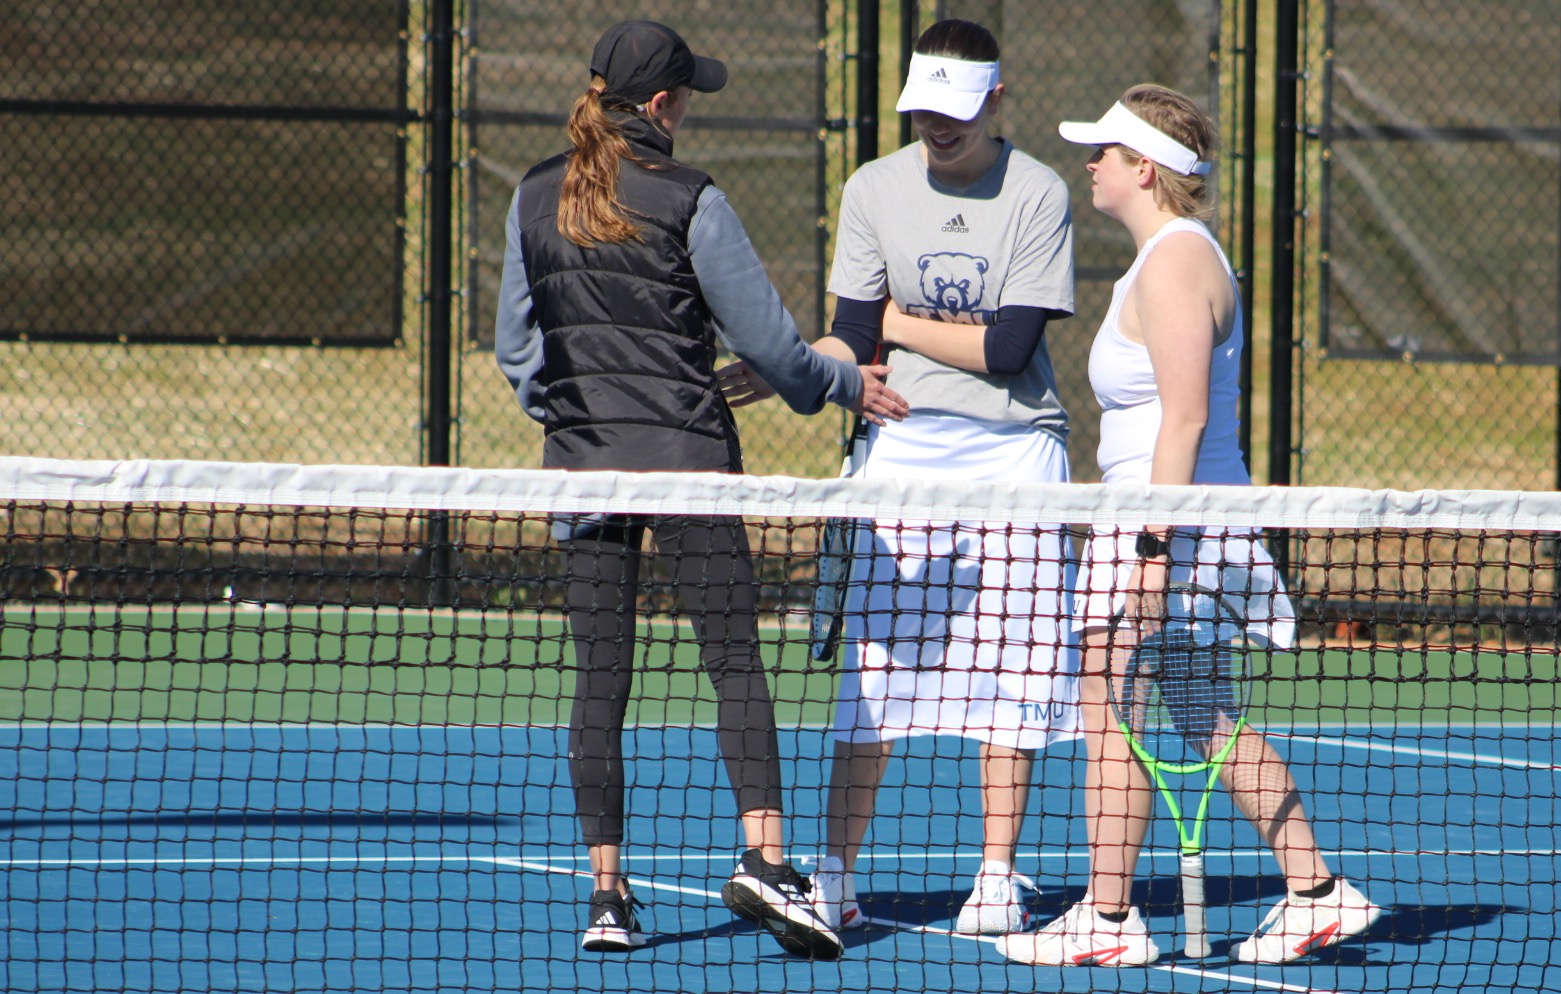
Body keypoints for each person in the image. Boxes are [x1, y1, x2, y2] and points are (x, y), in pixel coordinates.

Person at [493, 20, 907, 960]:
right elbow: (770, 347)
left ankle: (608, 898)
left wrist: (576, 413)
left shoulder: (530, 196)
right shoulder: (692, 197)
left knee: (600, 680)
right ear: (663, 105)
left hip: (584, 464)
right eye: (688, 95)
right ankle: (766, 860)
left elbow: (518, 352)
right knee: (733, 662)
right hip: (689, 461)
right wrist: (844, 384)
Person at [1001, 85, 1382, 967]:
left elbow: (1183, 419)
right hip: (1173, 527)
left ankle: (1105, 923)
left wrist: (1151, 552)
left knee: (1110, 714)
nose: (1088, 162)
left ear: (1145, 168)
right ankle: (1318, 891)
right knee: (1202, 713)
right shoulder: (1167, 258)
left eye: (1103, 151)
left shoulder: (1175, 262)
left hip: (1166, 529)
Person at [807, 18, 1079, 937]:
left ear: (996, 100)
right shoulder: (872, 188)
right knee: (873, 672)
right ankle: (833, 876)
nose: (937, 126)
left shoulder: (1039, 192)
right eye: (923, 110)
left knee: (1014, 665)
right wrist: (816, 362)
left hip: (1015, 452)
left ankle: (997, 877)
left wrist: (890, 319)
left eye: (955, 110)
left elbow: (1008, 350)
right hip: (905, 449)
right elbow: (849, 332)